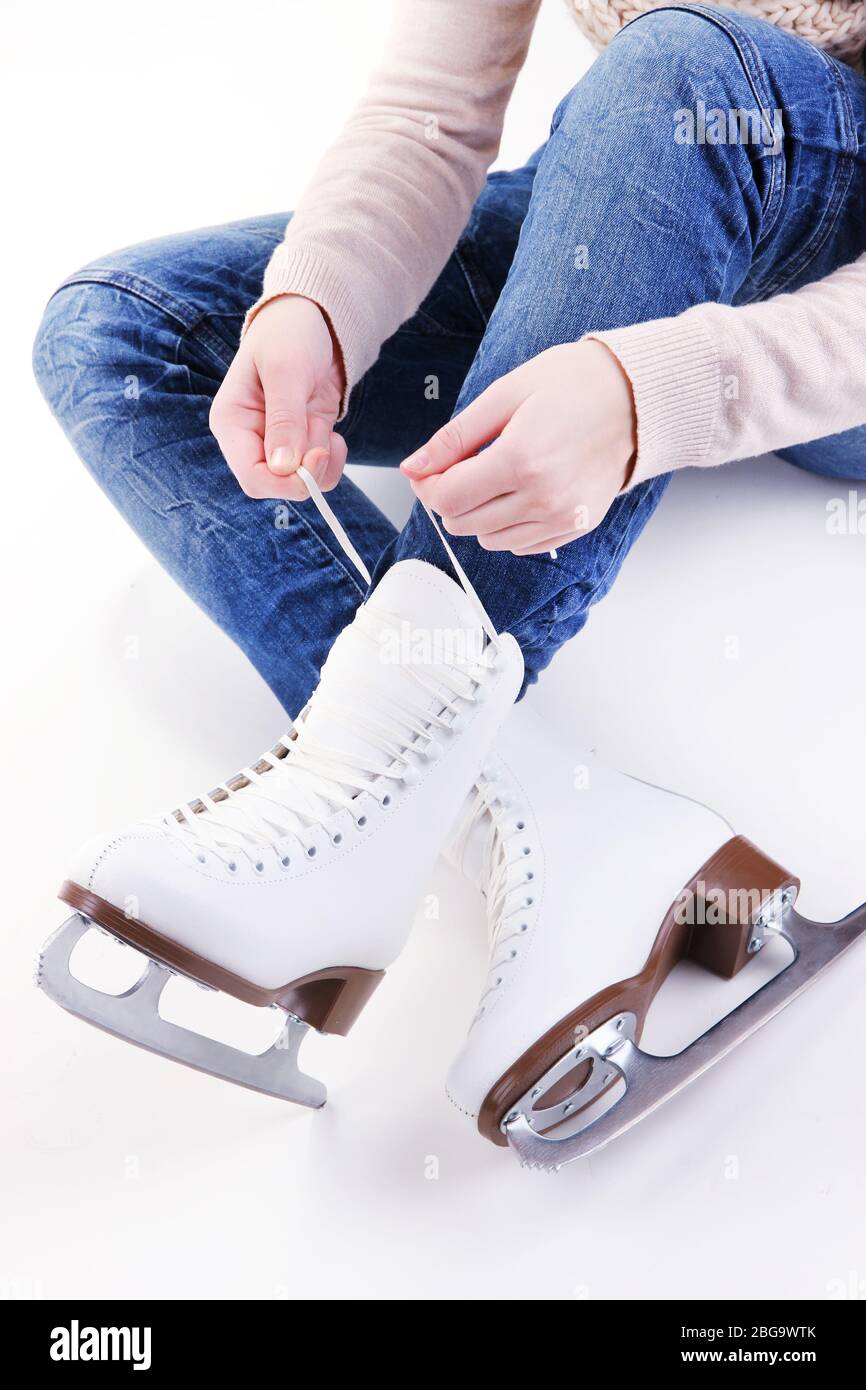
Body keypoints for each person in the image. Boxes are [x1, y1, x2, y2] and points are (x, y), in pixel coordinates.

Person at [30, 3, 866, 1125]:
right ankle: (574, 829)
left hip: (831, 302)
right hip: (645, 193)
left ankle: (360, 786)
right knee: (121, 334)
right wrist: (319, 305)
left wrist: (650, 391)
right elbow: (428, 113)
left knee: (671, 67)